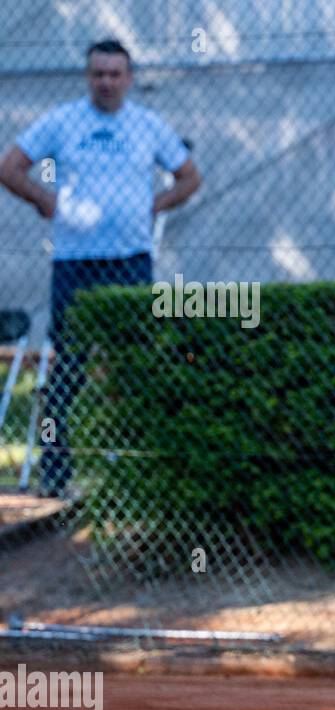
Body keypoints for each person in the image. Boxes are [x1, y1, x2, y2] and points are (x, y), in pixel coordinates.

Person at [0, 38, 201, 497]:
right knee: (66, 369)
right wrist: (48, 201)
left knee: (134, 363)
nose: (106, 82)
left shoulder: (148, 125)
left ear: (129, 79)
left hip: (130, 263)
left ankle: (138, 472)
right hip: (75, 264)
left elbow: (190, 177)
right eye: (98, 74)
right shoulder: (62, 122)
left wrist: (153, 206)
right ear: (87, 78)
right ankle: (56, 474)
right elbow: (9, 168)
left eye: (115, 74)